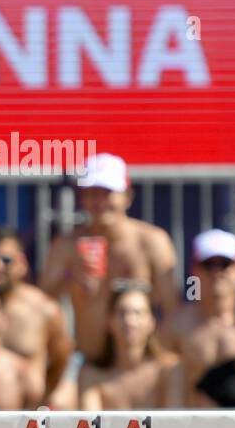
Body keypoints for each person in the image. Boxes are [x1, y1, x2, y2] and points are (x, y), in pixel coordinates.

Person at [41, 153, 178, 363]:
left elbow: (173, 309)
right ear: (82, 198)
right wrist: (71, 278)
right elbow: (42, 307)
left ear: (128, 196)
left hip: (140, 362)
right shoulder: (66, 246)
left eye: (107, 192)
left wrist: (160, 360)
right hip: (86, 360)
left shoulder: (152, 242)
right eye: (91, 193)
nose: (99, 201)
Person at [0, 227, 73, 403]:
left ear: (21, 263)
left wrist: (40, 399)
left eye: (6, 260)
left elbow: (61, 360)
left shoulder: (44, 310)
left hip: (28, 416)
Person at [160, 229, 235, 403]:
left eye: (225, 264)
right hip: (193, 425)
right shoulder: (178, 324)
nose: (216, 272)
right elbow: (155, 375)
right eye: (208, 265)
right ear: (194, 270)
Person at [77, 285, 181, 409]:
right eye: (122, 313)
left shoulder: (169, 370)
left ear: (151, 322)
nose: (130, 321)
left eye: (138, 313)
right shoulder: (92, 375)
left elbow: (174, 423)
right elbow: (91, 425)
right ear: (110, 322)